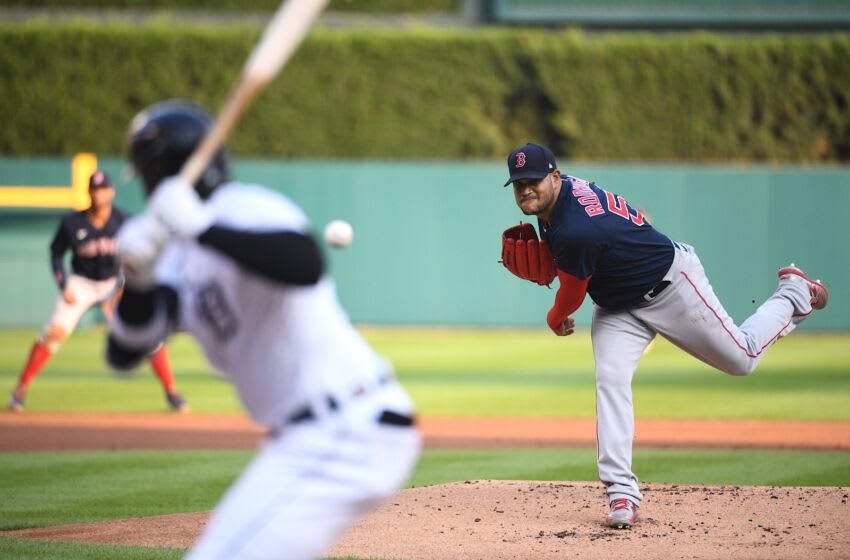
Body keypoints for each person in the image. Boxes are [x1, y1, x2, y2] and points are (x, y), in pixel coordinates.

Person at [109, 99, 421, 559]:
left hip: (344, 426)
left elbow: (304, 263)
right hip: (301, 440)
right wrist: (138, 282)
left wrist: (200, 226)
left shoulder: (245, 206)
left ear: (158, 172)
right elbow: (127, 349)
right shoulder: (172, 254)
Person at [499, 142, 828, 529]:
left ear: (555, 177)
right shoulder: (562, 196)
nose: (526, 190)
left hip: (672, 288)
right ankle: (621, 492)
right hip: (617, 307)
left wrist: (555, 318)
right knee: (610, 380)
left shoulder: (575, 230)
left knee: (743, 358)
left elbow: (571, 296)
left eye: (533, 181)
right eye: (519, 184)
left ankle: (793, 293)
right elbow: (614, 226)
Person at [8, 170, 188, 413]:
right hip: (80, 283)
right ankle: (20, 390)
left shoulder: (124, 221)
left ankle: (172, 392)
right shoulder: (72, 222)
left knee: (146, 333)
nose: (98, 194)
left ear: (111, 192)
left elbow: (138, 257)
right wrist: (63, 284)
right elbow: (55, 253)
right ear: (88, 193)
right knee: (54, 334)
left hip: (114, 283)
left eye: (102, 189)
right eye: (94, 190)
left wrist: (124, 286)